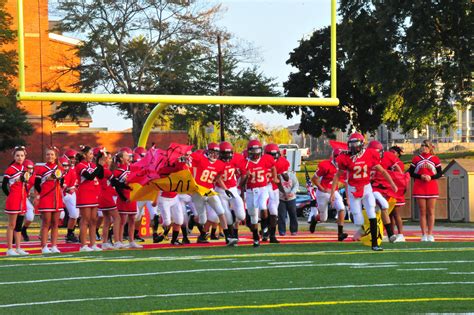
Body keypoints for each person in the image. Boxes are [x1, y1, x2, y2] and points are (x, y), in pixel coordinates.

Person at [330, 132, 398, 251]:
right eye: (351, 144)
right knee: (358, 219)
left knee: (371, 212)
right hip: (353, 189)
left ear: (362, 144)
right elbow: (337, 176)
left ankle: (375, 244)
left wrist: (392, 184)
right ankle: (361, 226)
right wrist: (332, 193)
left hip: (366, 187)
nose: (353, 146)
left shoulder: (370, 154)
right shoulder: (345, 157)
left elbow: (382, 171)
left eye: (356, 144)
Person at [190, 143, 237, 246]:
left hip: (209, 190)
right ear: (207, 152)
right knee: (202, 219)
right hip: (198, 191)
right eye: (212, 152)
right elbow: (190, 157)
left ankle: (227, 237)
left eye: (216, 153)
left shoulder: (220, 164)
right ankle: (199, 230)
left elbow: (218, 177)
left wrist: (225, 189)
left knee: (221, 211)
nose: (214, 155)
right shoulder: (200, 158)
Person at [239, 139, 279, 247]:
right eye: (254, 150)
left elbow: (273, 167)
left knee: (263, 206)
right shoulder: (245, 163)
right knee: (254, 217)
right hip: (250, 191)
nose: (256, 153)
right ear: (249, 151)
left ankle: (265, 228)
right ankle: (256, 237)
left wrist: (274, 177)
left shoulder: (266, 158)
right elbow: (241, 184)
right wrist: (246, 176)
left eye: (258, 150)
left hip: (263, 188)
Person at [367, 140, 401, 243]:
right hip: (365, 189)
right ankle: (362, 230)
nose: (378, 154)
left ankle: (390, 234)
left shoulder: (377, 162)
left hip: (374, 189)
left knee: (383, 206)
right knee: (367, 213)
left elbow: (384, 172)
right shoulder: (364, 161)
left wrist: (393, 184)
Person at [311, 148, 348, 241]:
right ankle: (314, 219)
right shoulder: (325, 165)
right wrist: (322, 188)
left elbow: (346, 181)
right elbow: (314, 179)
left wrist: (346, 195)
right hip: (323, 193)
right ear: (334, 157)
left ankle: (340, 233)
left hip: (334, 191)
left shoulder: (344, 166)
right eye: (337, 157)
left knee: (341, 208)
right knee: (323, 218)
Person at [408, 140, 442, 242]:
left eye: (426, 146)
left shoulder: (435, 159)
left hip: (431, 186)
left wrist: (431, 177)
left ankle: (430, 234)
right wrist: (420, 176)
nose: (424, 147)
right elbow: (411, 172)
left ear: (430, 147)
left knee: (431, 211)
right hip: (419, 186)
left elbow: (440, 173)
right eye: (422, 146)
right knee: (422, 212)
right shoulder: (416, 159)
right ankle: (423, 234)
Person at [35, 146, 65, 254]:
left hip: (57, 198)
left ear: (55, 156)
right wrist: (43, 193)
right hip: (46, 199)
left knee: (55, 223)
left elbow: (61, 183)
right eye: (48, 154)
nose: (50, 156)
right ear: (45, 156)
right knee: (46, 223)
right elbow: (36, 185)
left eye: (52, 154)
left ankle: (54, 246)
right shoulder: (41, 169)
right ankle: (44, 246)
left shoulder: (59, 169)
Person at [215, 141, 246, 241]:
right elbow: (217, 178)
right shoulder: (216, 163)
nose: (227, 155)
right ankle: (230, 236)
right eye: (224, 153)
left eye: (229, 153)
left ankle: (234, 227)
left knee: (241, 215)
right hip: (221, 190)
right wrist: (225, 189)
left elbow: (243, 171)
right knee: (227, 217)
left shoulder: (237, 159)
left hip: (233, 189)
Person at [2, 146, 29, 256]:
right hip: (14, 200)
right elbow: (3, 186)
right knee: (11, 225)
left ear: (25, 157)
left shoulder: (24, 169)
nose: (20, 157)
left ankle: (18, 248)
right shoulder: (10, 169)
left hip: (22, 200)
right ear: (14, 156)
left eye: (22, 155)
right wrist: (10, 196)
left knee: (19, 226)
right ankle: (9, 249)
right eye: (17, 155)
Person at [76, 145, 104, 252]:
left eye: (92, 154)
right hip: (84, 195)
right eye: (90, 154)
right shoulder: (80, 165)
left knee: (93, 220)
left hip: (93, 195)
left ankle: (93, 244)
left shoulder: (92, 165)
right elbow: (89, 176)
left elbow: (100, 176)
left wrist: (100, 164)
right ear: (84, 155)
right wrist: (99, 166)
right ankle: (83, 245)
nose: (92, 156)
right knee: (85, 220)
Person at [112, 147, 142, 248]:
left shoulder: (132, 168)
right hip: (123, 198)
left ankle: (131, 241)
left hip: (132, 196)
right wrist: (124, 198)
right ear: (121, 159)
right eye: (126, 156)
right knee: (122, 220)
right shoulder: (117, 171)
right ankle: (119, 240)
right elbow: (118, 187)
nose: (129, 157)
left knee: (133, 219)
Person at [95, 147, 123, 250]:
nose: (111, 160)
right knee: (117, 218)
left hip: (102, 196)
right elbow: (115, 182)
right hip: (106, 196)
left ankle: (105, 242)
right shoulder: (105, 170)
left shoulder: (99, 169)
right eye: (109, 158)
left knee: (107, 220)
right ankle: (117, 241)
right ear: (105, 159)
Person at [264, 143, 290, 241]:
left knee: (274, 212)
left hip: (273, 189)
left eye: (275, 155)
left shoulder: (281, 162)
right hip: (262, 188)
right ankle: (265, 230)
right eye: (271, 155)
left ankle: (271, 235)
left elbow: (282, 178)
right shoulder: (261, 162)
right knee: (263, 212)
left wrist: (284, 174)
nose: (274, 157)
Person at [388, 145, 406, 241]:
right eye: (390, 152)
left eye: (393, 152)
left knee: (396, 213)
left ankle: (400, 234)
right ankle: (391, 234)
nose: (391, 154)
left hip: (397, 191)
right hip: (389, 190)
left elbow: (399, 176)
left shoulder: (398, 163)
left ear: (398, 154)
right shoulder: (388, 162)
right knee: (389, 213)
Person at [63, 149, 80, 243]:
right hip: (66, 193)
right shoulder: (65, 168)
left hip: (74, 193)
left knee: (76, 215)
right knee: (69, 214)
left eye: (74, 158)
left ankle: (70, 234)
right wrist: (69, 189)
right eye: (71, 158)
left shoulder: (78, 167)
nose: (73, 160)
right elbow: (63, 184)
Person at [277, 171, 298, 236]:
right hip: (281, 198)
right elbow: (276, 186)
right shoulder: (278, 175)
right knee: (281, 215)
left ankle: (294, 230)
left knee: (293, 214)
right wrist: (283, 194)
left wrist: (292, 193)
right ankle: (282, 231)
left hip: (291, 198)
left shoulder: (291, 175)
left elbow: (296, 185)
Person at [20, 159, 36, 242]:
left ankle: (23, 229)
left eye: (31, 168)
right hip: (17, 198)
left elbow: (37, 186)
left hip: (25, 198)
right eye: (28, 168)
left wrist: (36, 196)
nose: (30, 170)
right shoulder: (19, 174)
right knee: (17, 217)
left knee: (30, 217)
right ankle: (14, 236)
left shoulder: (33, 176)